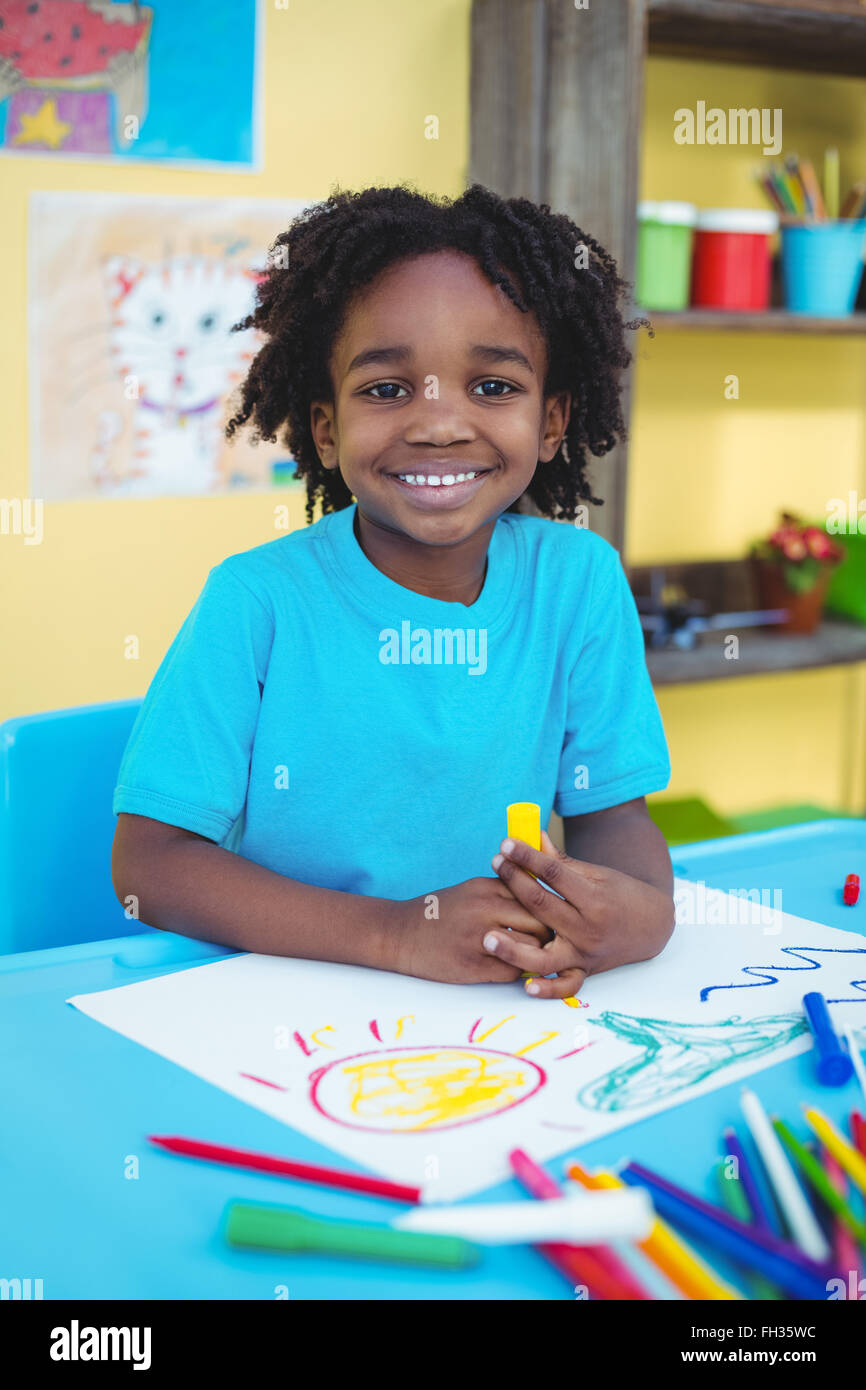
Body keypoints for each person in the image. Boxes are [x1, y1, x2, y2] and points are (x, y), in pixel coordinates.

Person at [111, 182, 674, 998]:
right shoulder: (257, 601)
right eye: (385, 389)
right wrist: (397, 935)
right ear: (326, 429)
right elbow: (149, 867)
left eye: (493, 387)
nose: (439, 423)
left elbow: (612, 818)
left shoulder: (577, 581)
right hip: (287, 1006)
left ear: (552, 422)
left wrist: (645, 915)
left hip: (496, 1019)